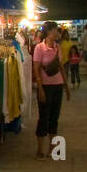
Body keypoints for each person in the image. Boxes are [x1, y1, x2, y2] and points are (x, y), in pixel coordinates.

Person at [32, 22, 70, 159]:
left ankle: (52, 148)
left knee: (54, 116)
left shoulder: (58, 47)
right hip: (45, 86)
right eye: (55, 30)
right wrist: (40, 89)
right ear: (49, 32)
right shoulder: (39, 48)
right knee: (44, 116)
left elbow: (61, 67)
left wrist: (66, 86)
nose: (58, 33)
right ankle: (40, 148)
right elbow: (36, 69)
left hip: (57, 85)